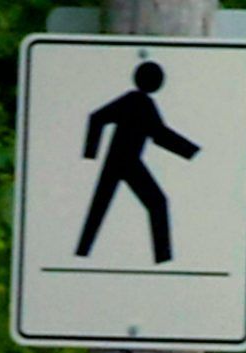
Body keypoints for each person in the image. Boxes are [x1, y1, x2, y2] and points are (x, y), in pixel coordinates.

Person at [74, 61, 198, 265]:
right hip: (125, 161)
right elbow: (98, 118)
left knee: (104, 206)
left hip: (123, 161)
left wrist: (190, 151)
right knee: (154, 203)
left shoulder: (139, 102)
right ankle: (163, 259)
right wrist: (89, 155)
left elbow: (158, 135)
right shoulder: (136, 102)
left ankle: (82, 252)